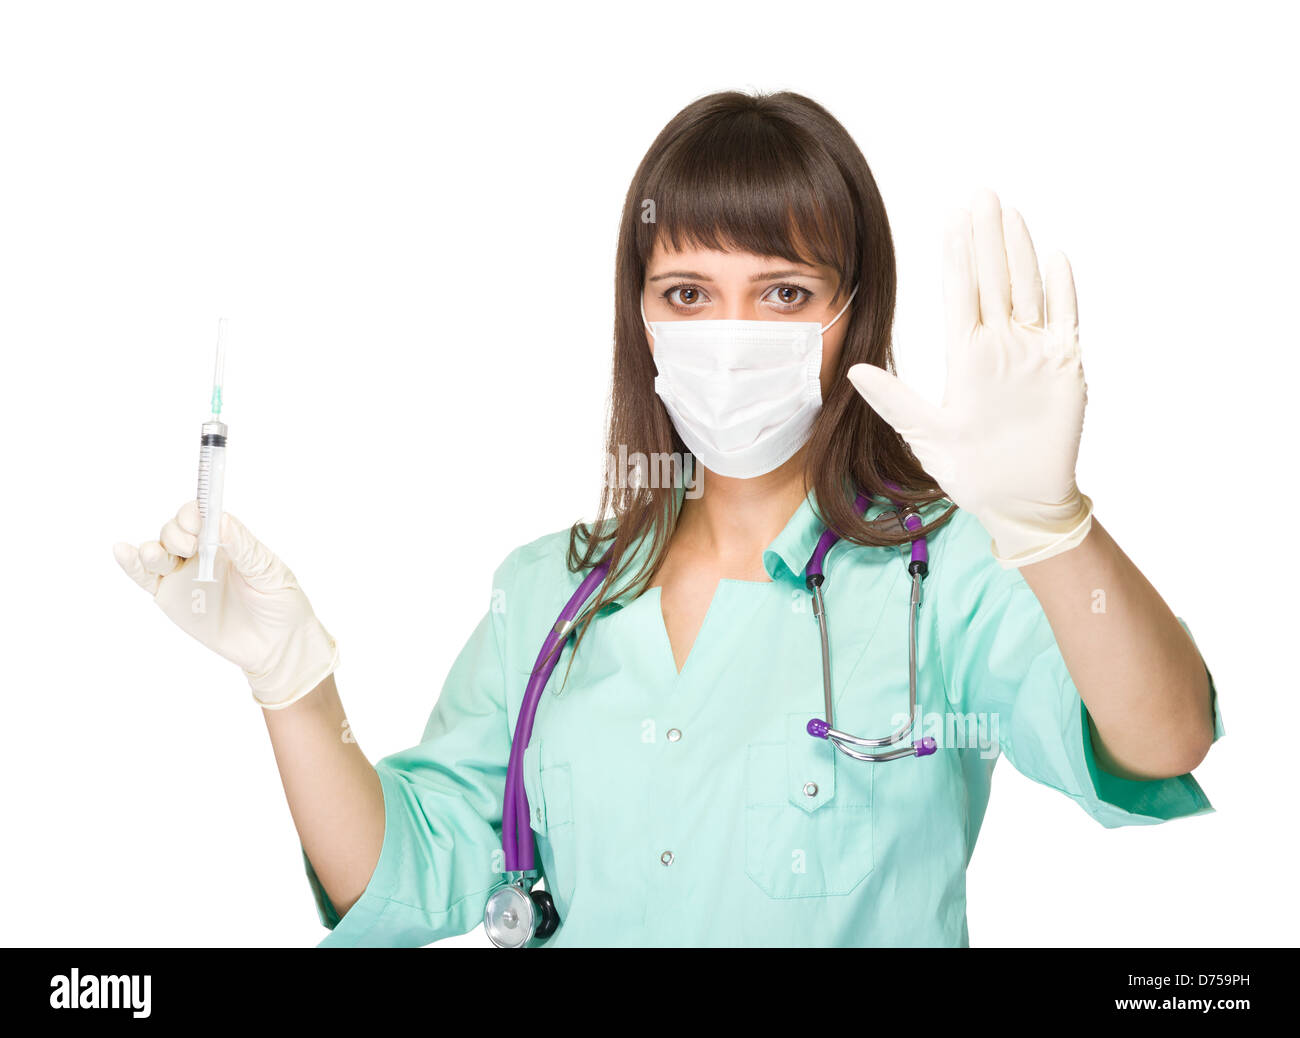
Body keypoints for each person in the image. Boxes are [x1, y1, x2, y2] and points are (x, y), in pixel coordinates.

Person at [114, 90, 1223, 947]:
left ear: (853, 314)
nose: (728, 332)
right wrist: (293, 682)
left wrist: (1054, 527)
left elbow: (1162, 737)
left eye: (782, 292)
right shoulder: (549, 595)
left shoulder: (947, 572)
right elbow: (397, 879)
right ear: (640, 316)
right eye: (686, 293)